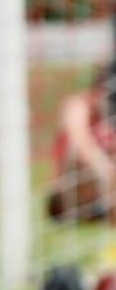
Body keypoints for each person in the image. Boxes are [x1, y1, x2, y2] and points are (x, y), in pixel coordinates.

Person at [47, 69, 116, 223]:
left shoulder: (108, 117)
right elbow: (80, 141)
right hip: (71, 185)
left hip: (102, 188)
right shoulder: (78, 105)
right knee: (82, 155)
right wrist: (105, 168)